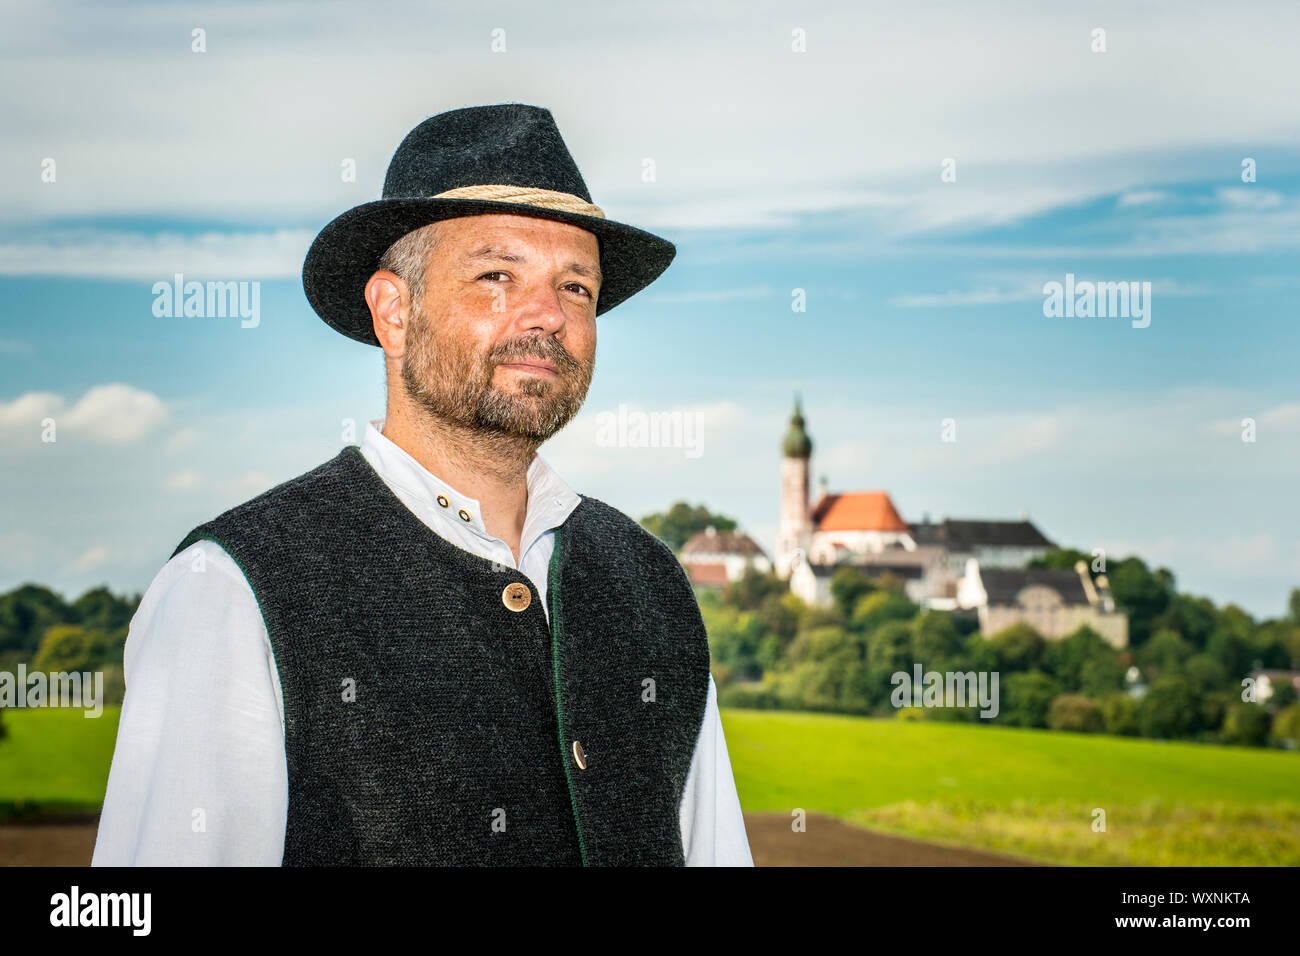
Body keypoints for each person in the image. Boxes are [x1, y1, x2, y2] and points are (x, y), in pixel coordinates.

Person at [91, 103, 753, 866]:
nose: (548, 315)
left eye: (576, 287)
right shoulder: (231, 589)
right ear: (393, 311)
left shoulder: (651, 584)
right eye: (497, 275)